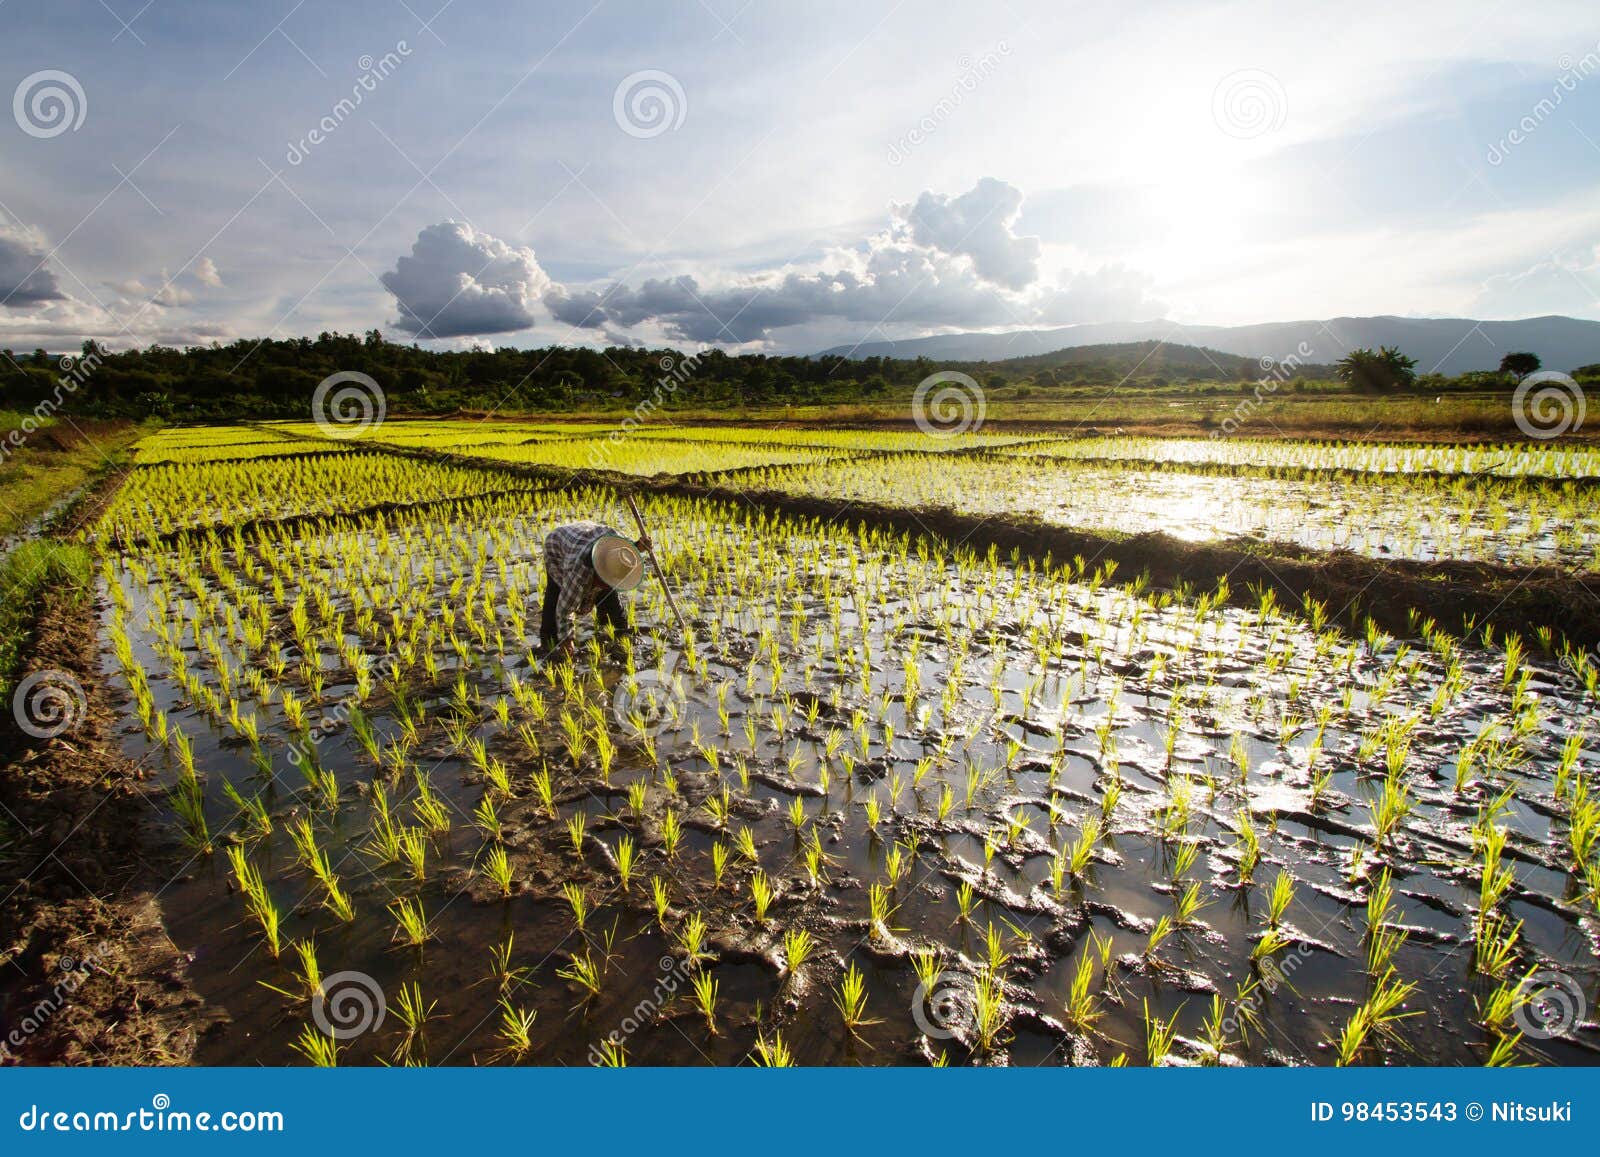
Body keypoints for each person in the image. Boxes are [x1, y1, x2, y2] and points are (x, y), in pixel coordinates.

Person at [540, 520, 650, 656]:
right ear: (598, 569)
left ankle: (610, 627)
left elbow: (629, 550)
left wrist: (638, 545)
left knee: (610, 597)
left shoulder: (618, 548)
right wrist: (567, 640)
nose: (608, 583)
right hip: (558, 544)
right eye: (604, 579)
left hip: (588, 533)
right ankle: (548, 639)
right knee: (556, 594)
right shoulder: (579, 573)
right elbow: (565, 610)